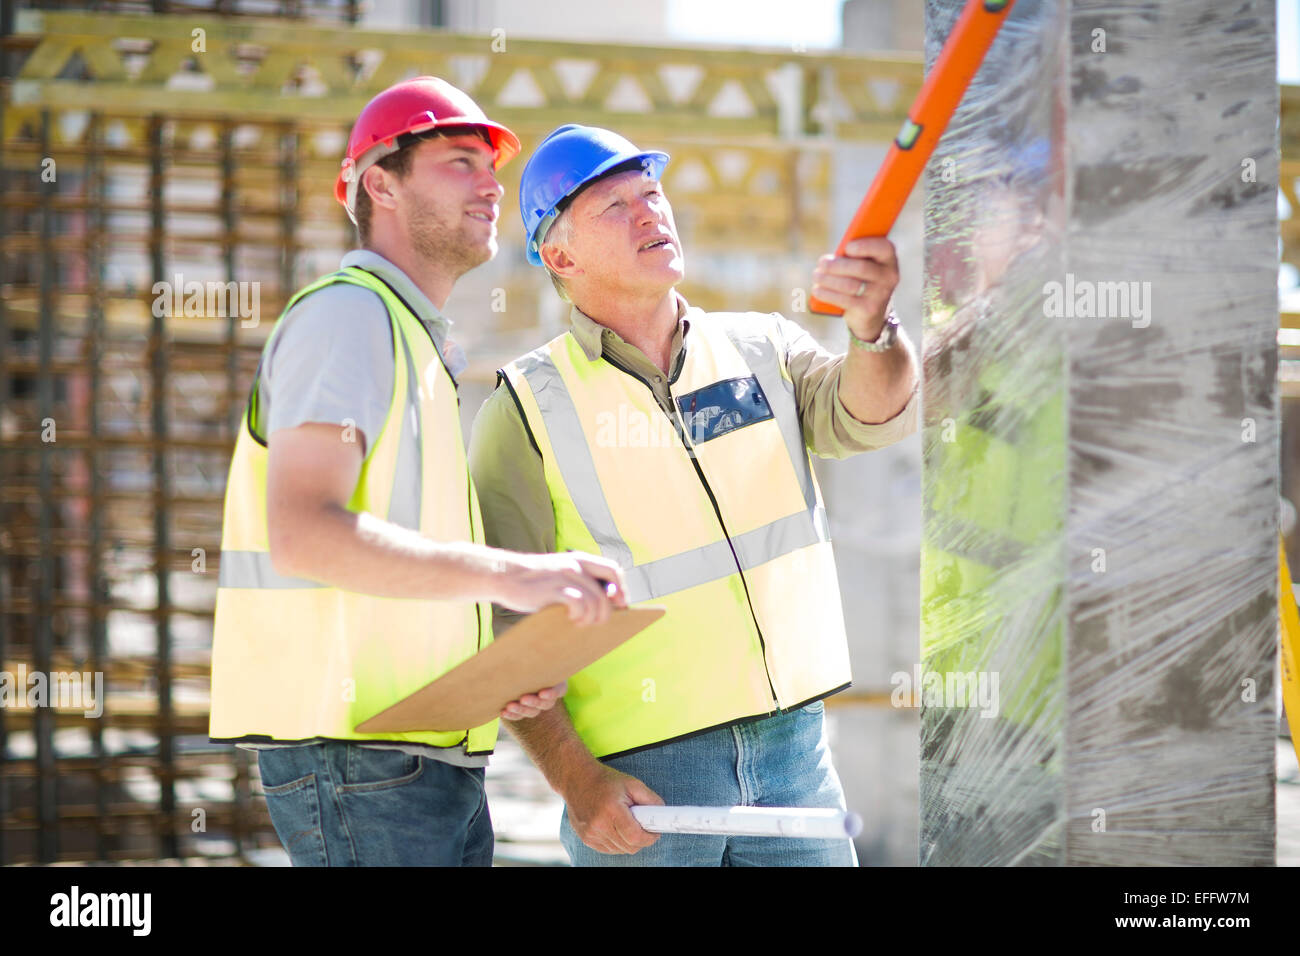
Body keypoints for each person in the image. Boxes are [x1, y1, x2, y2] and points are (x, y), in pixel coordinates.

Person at [468, 124, 920, 866]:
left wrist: (873, 330)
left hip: (797, 753)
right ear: (560, 255)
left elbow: (868, 415)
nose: (649, 212)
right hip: (645, 774)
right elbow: (505, 621)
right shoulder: (524, 406)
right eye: (615, 205)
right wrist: (577, 781)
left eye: (652, 193)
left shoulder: (760, 348)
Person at [208, 82, 625, 867]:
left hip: (419, 758)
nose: (490, 183)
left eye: (491, 168)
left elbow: (404, 573)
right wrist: (522, 576)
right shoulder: (348, 317)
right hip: (359, 759)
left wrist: (497, 677)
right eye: (460, 162)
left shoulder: (416, 343)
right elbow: (303, 535)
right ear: (380, 184)